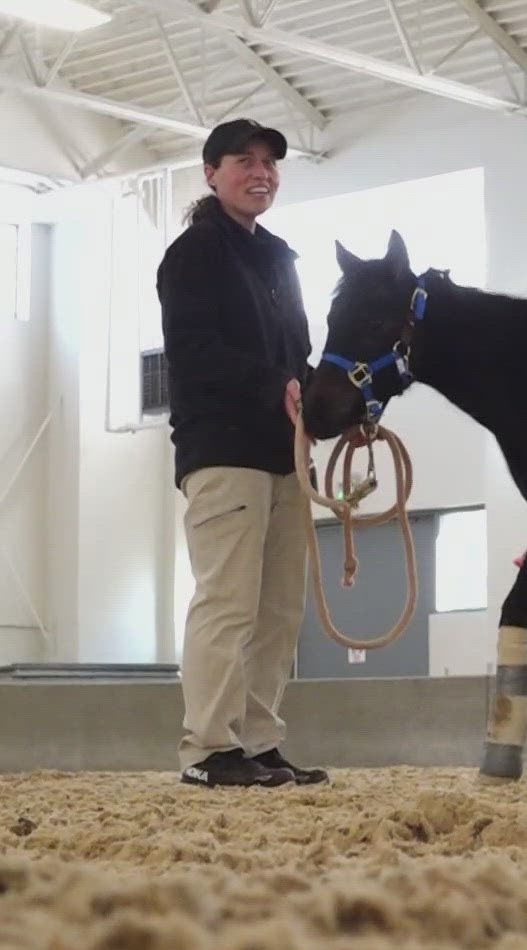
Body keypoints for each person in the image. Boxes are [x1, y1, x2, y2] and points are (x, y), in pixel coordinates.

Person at [158, 117, 329, 788]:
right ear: (211, 173)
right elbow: (195, 351)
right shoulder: (194, 252)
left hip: (285, 452)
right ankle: (207, 747)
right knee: (228, 600)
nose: (261, 172)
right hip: (223, 448)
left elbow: (299, 354)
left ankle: (258, 741)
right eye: (244, 161)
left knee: (279, 608)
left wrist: (325, 404)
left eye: (270, 163)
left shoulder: (281, 257)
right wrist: (276, 385)